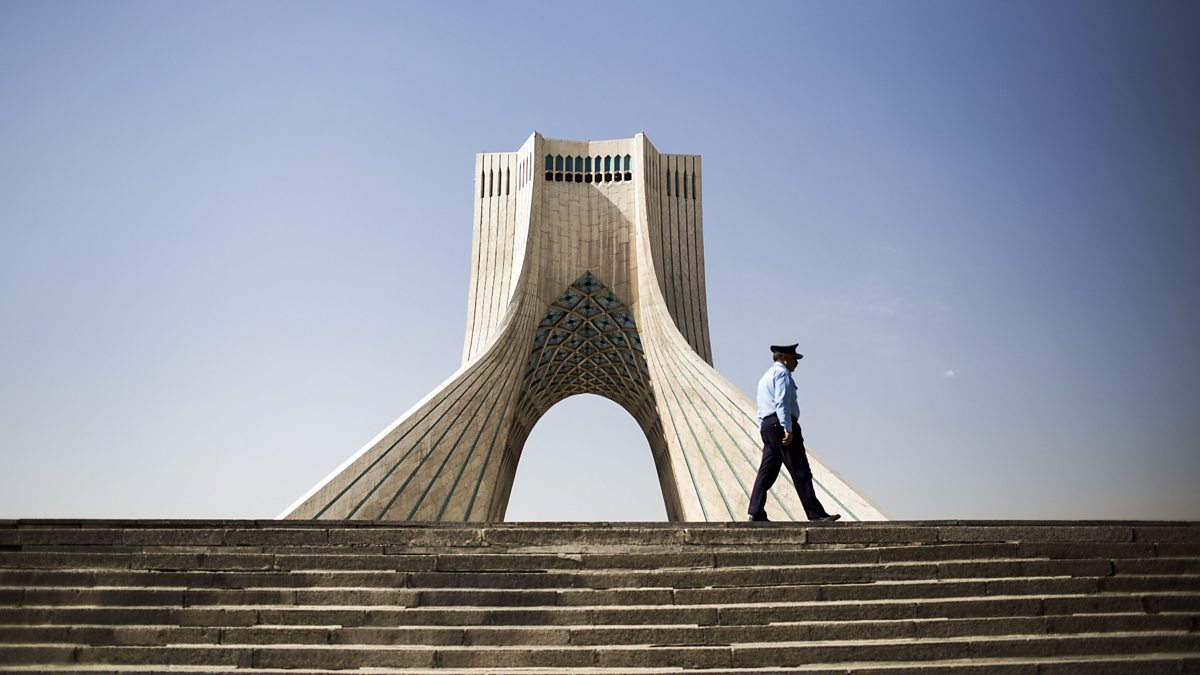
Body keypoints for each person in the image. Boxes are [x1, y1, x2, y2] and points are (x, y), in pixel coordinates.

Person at [747, 343, 841, 523]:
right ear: (783, 358)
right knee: (801, 470)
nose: (796, 363)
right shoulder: (782, 374)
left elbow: (762, 408)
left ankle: (756, 511)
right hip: (782, 424)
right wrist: (787, 428)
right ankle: (816, 514)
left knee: (766, 473)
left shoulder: (765, 377)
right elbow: (781, 402)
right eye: (794, 359)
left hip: (768, 426)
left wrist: (766, 432)